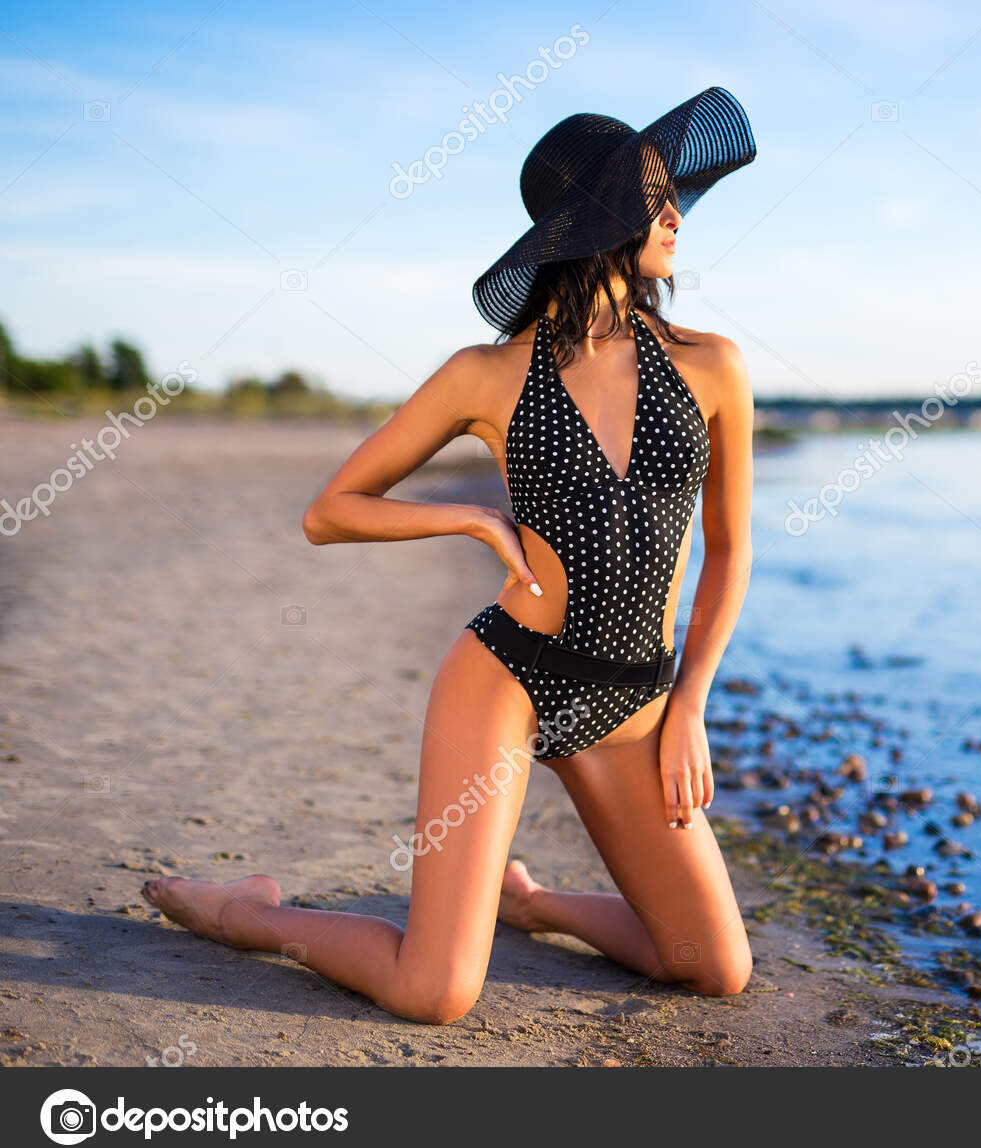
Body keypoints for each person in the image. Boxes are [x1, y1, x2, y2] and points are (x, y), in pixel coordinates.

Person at [141, 87, 760, 1022]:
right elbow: (329, 511)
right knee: (435, 991)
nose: (676, 216)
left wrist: (692, 705)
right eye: (652, 199)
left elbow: (730, 552)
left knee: (715, 967)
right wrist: (472, 524)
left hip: (635, 696)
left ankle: (530, 902)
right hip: (507, 679)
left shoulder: (713, 365)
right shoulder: (488, 374)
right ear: (599, 222)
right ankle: (249, 914)